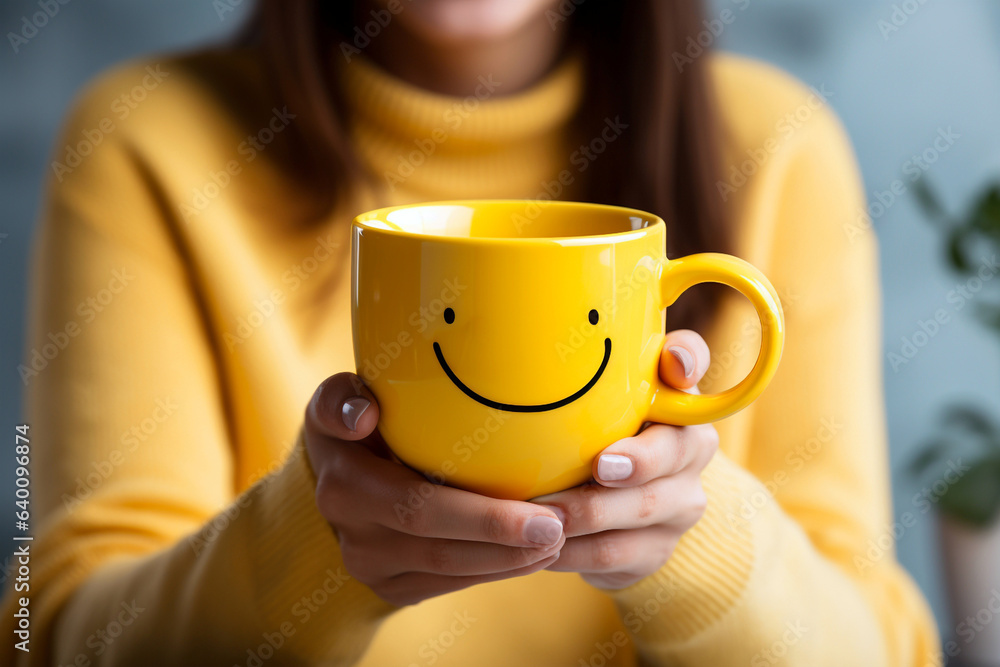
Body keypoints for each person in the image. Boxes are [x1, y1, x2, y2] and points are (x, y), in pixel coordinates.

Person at [1, 1, 940, 664]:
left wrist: (690, 530)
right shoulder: (147, 141)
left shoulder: (775, 149)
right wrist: (316, 542)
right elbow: (64, 640)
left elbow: (877, 646)